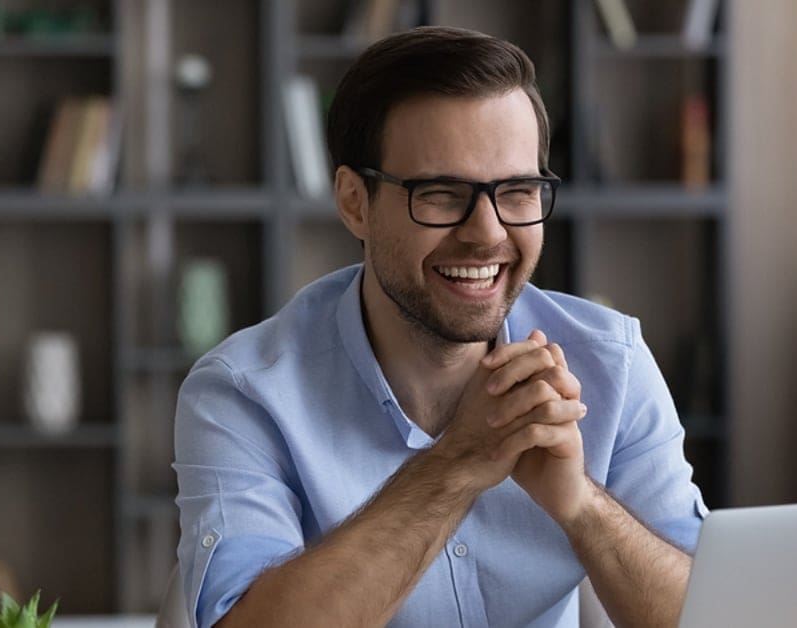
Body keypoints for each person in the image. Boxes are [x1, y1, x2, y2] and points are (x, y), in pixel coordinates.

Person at [173, 25, 707, 628]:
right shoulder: (243, 393)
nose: (487, 233)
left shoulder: (612, 362)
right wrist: (456, 464)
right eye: (441, 193)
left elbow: (715, 614)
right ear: (355, 202)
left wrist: (582, 506)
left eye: (517, 191)